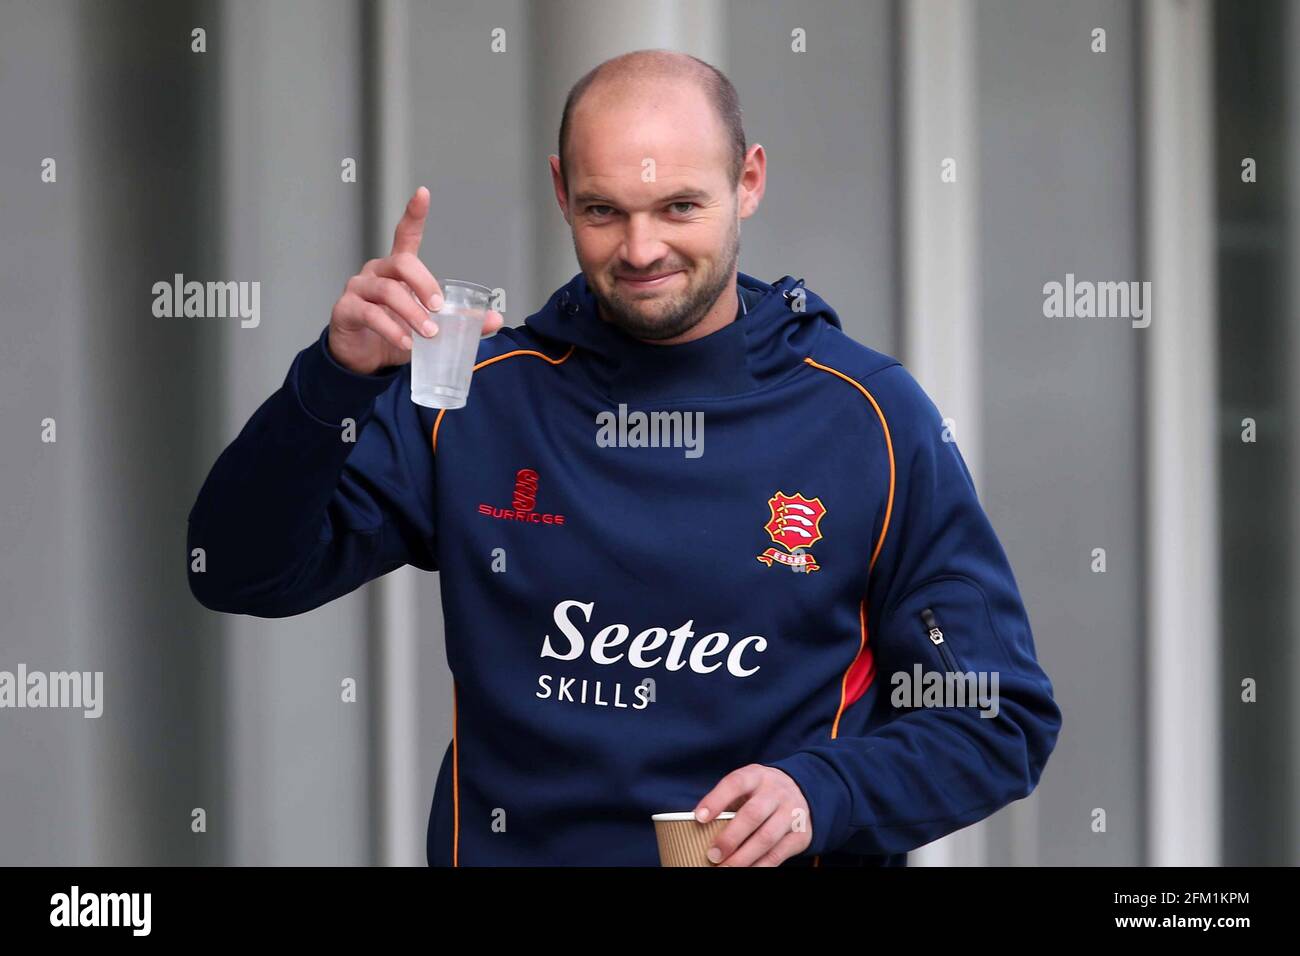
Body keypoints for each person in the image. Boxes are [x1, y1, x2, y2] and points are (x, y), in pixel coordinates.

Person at [187, 49, 1062, 867]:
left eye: (679, 206)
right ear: (563, 192)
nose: (641, 251)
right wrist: (332, 382)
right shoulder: (477, 400)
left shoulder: (870, 417)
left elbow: (995, 718)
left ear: (748, 181)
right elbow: (235, 572)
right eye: (606, 211)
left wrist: (822, 790)